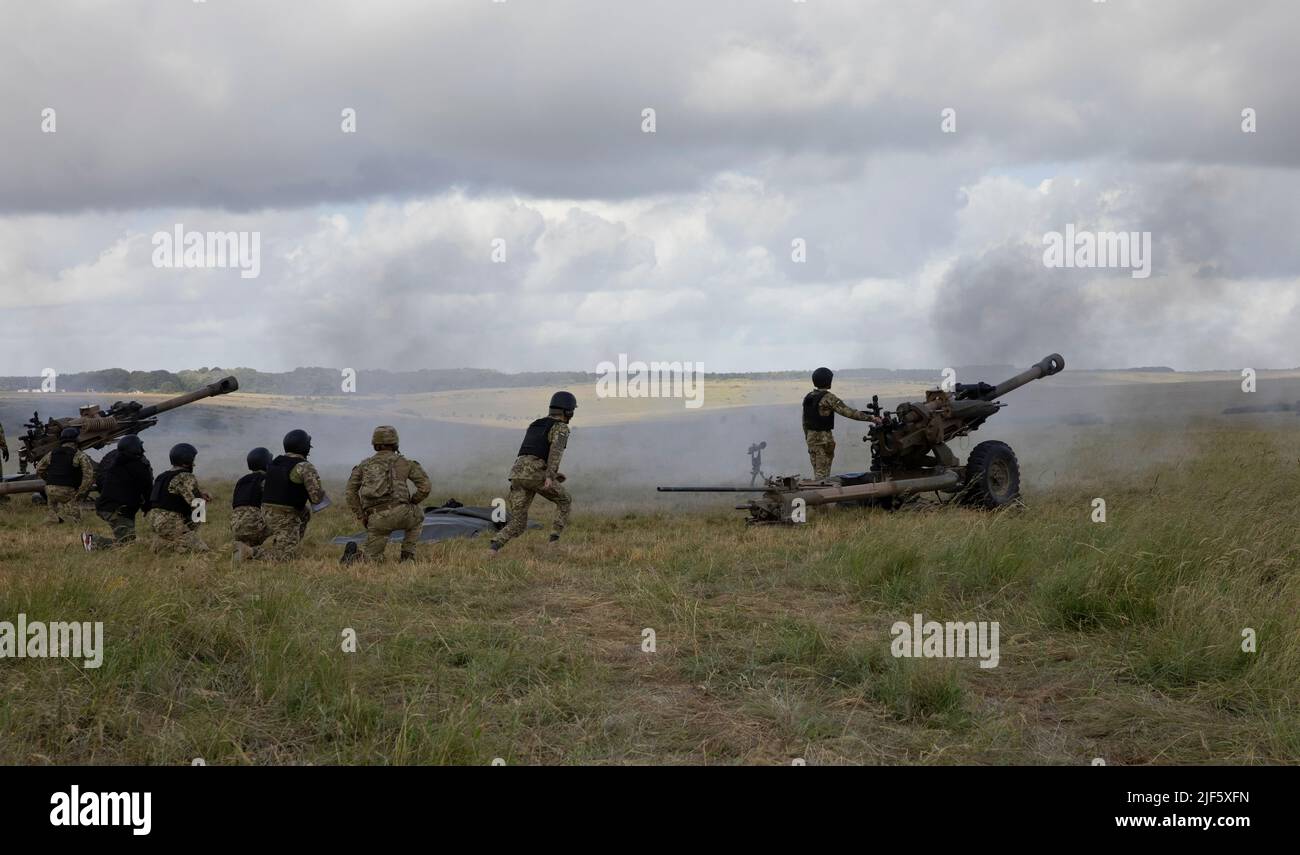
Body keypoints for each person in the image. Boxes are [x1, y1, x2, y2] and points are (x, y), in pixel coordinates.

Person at [488, 391, 575, 556]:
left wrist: (552, 474)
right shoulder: (561, 428)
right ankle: (553, 542)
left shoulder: (535, 424)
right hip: (536, 476)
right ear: (568, 411)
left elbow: (532, 453)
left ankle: (493, 548)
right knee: (565, 500)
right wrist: (550, 476)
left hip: (517, 474)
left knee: (519, 524)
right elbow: (555, 452)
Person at [341, 425, 431, 564]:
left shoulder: (364, 465)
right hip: (403, 513)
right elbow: (425, 487)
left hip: (376, 518)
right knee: (418, 516)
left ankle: (353, 558)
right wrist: (413, 501)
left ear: (375, 444)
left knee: (371, 561)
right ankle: (407, 557)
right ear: (395, 443)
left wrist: (361, 515)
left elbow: (350, 492)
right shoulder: (405, 463)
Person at [241, 429, 326, 561]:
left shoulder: (274, 462)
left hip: (265, 512)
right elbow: (317, 498)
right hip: (285, 515)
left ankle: (288, 541)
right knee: (285, 558)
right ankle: (249, 552)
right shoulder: (304, 466)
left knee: (305, 513)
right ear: (304, 447)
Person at [802, 367, 881, 480]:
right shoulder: (828, 397)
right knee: (822, 478)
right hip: (823, 441)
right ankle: (823, 495)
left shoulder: (808, 397)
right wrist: (872, 419)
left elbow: (805, 422)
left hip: (812, 440)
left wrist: (809, 438)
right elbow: (848, 412)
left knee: (818, 472)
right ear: (827, 381)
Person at [84, 434, 153, 550]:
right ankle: (91, 541)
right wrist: (147, 508)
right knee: (127, 545)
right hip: (117, 510)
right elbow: (148, 490)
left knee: (128, 538)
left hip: (108, 507)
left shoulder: (116, 464)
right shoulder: (140, 467)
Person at [146, 443, 211, 554]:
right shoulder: (185, 476)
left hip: (153, 520)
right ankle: (176, 542)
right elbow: (196, 503)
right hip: (169, 522)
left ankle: (164, 543)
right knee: (202, 551)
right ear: (187, 461)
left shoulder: (162, 476)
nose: (194, 464)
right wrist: (202, 500)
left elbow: (169, 496)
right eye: (192, 460)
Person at [35, 427, 94, 524]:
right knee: (76, 521)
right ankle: (69, 518)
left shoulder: (51, 453)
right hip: (68, 491)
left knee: (53, 509)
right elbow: (88, 475)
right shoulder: (79, 455)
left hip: (50, 490)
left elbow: (39, 469)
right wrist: (81, 492)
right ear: (76, 440)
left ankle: (53, 517)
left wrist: (48, 480)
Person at [231, 447, 273, 552]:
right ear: (267, 463)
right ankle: (254, 551)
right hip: (254, 528)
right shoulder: (266, 480)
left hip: (236, 528)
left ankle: (245, 545)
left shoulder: (241, 481)